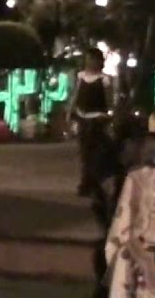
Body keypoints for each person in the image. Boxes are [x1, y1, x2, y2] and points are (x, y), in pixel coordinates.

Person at [67, 47, 113, 197]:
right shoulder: (81, 77)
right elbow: (76, 95)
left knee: (96, 153)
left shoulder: (104, 79)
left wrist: (110, 117)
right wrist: (70, 112)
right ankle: (87, 183)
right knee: (85, 152)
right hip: (83, 118)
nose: (89, 62)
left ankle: (92, 183)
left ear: (99, 61)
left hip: (98, 119)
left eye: (92, 59)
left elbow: (109, 100)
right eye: (88, 59)